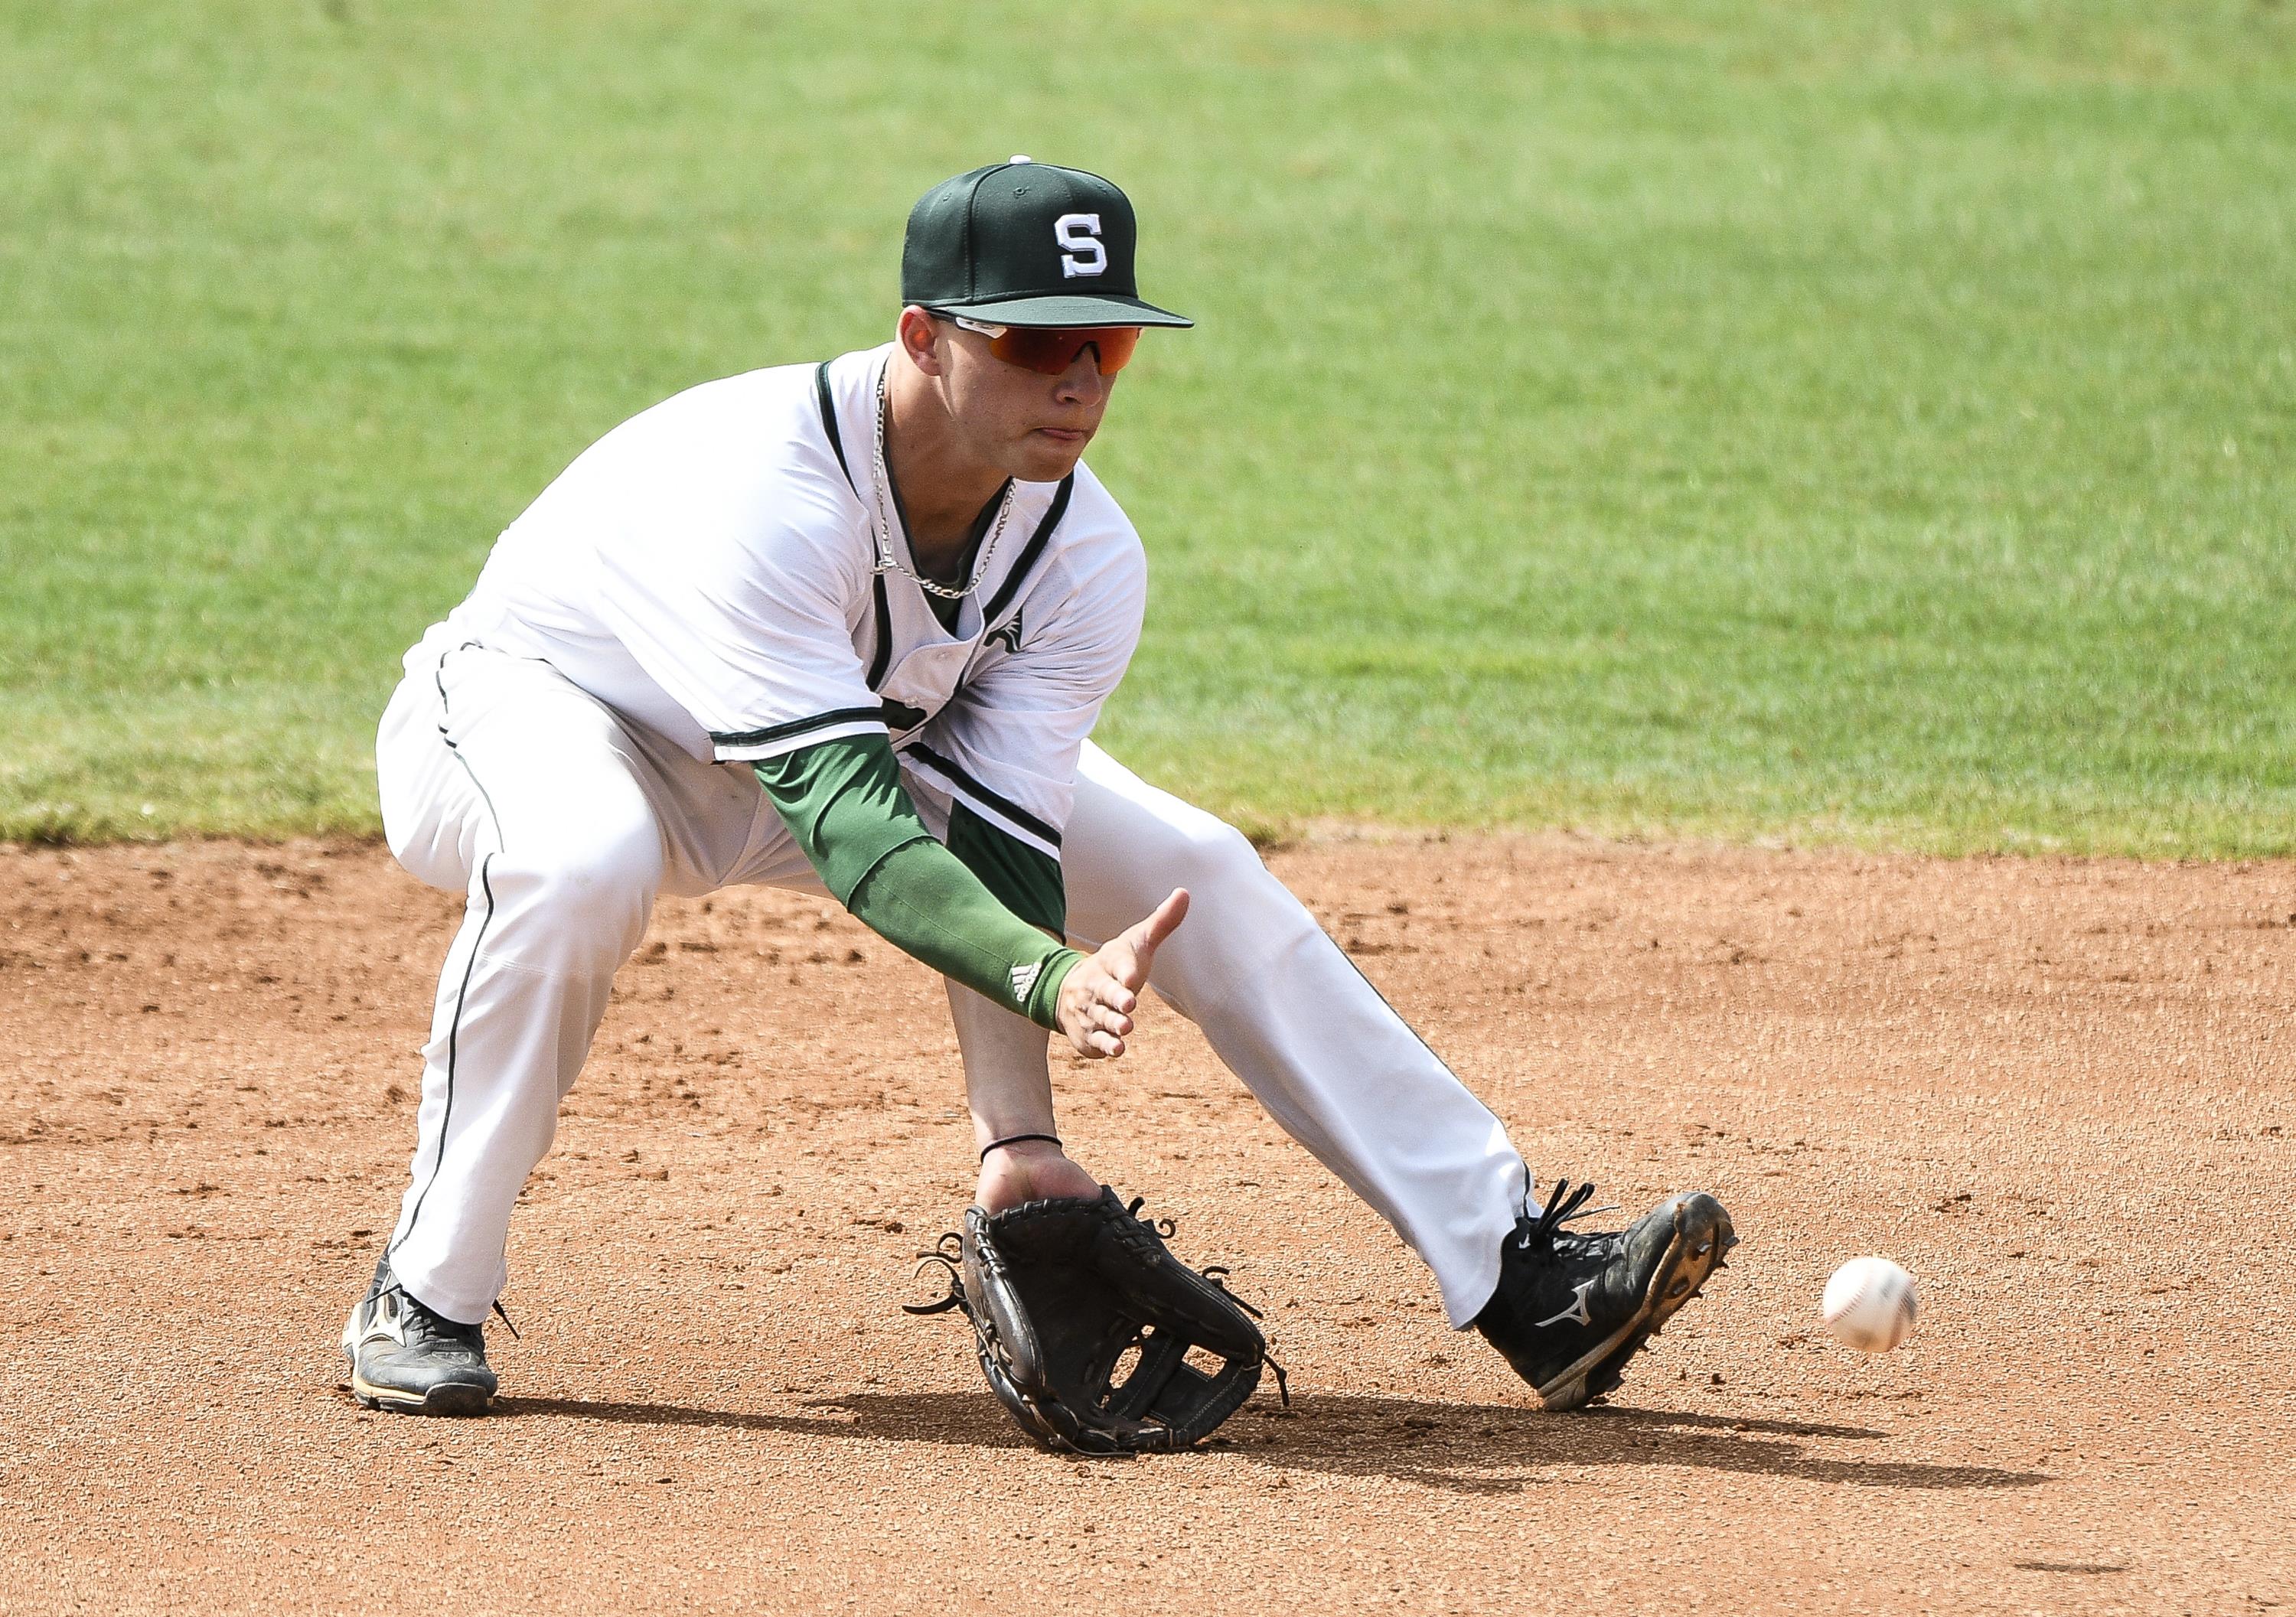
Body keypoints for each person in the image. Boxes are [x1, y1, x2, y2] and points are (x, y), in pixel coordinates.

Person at [343, 158, 1735, 1419]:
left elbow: (1004, 836)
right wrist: (1051, 978)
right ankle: (426, 1286)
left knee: (1201, 867)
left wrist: (1021, 1137)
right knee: (579, 861)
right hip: (549, 714)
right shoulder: (764, 493)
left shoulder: (1084, 554)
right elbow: (862, 835)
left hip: (832, 756)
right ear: (924, 338)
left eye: (1109, 343)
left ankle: (1520, 1279)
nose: (1078, 380)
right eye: (1030, 341)